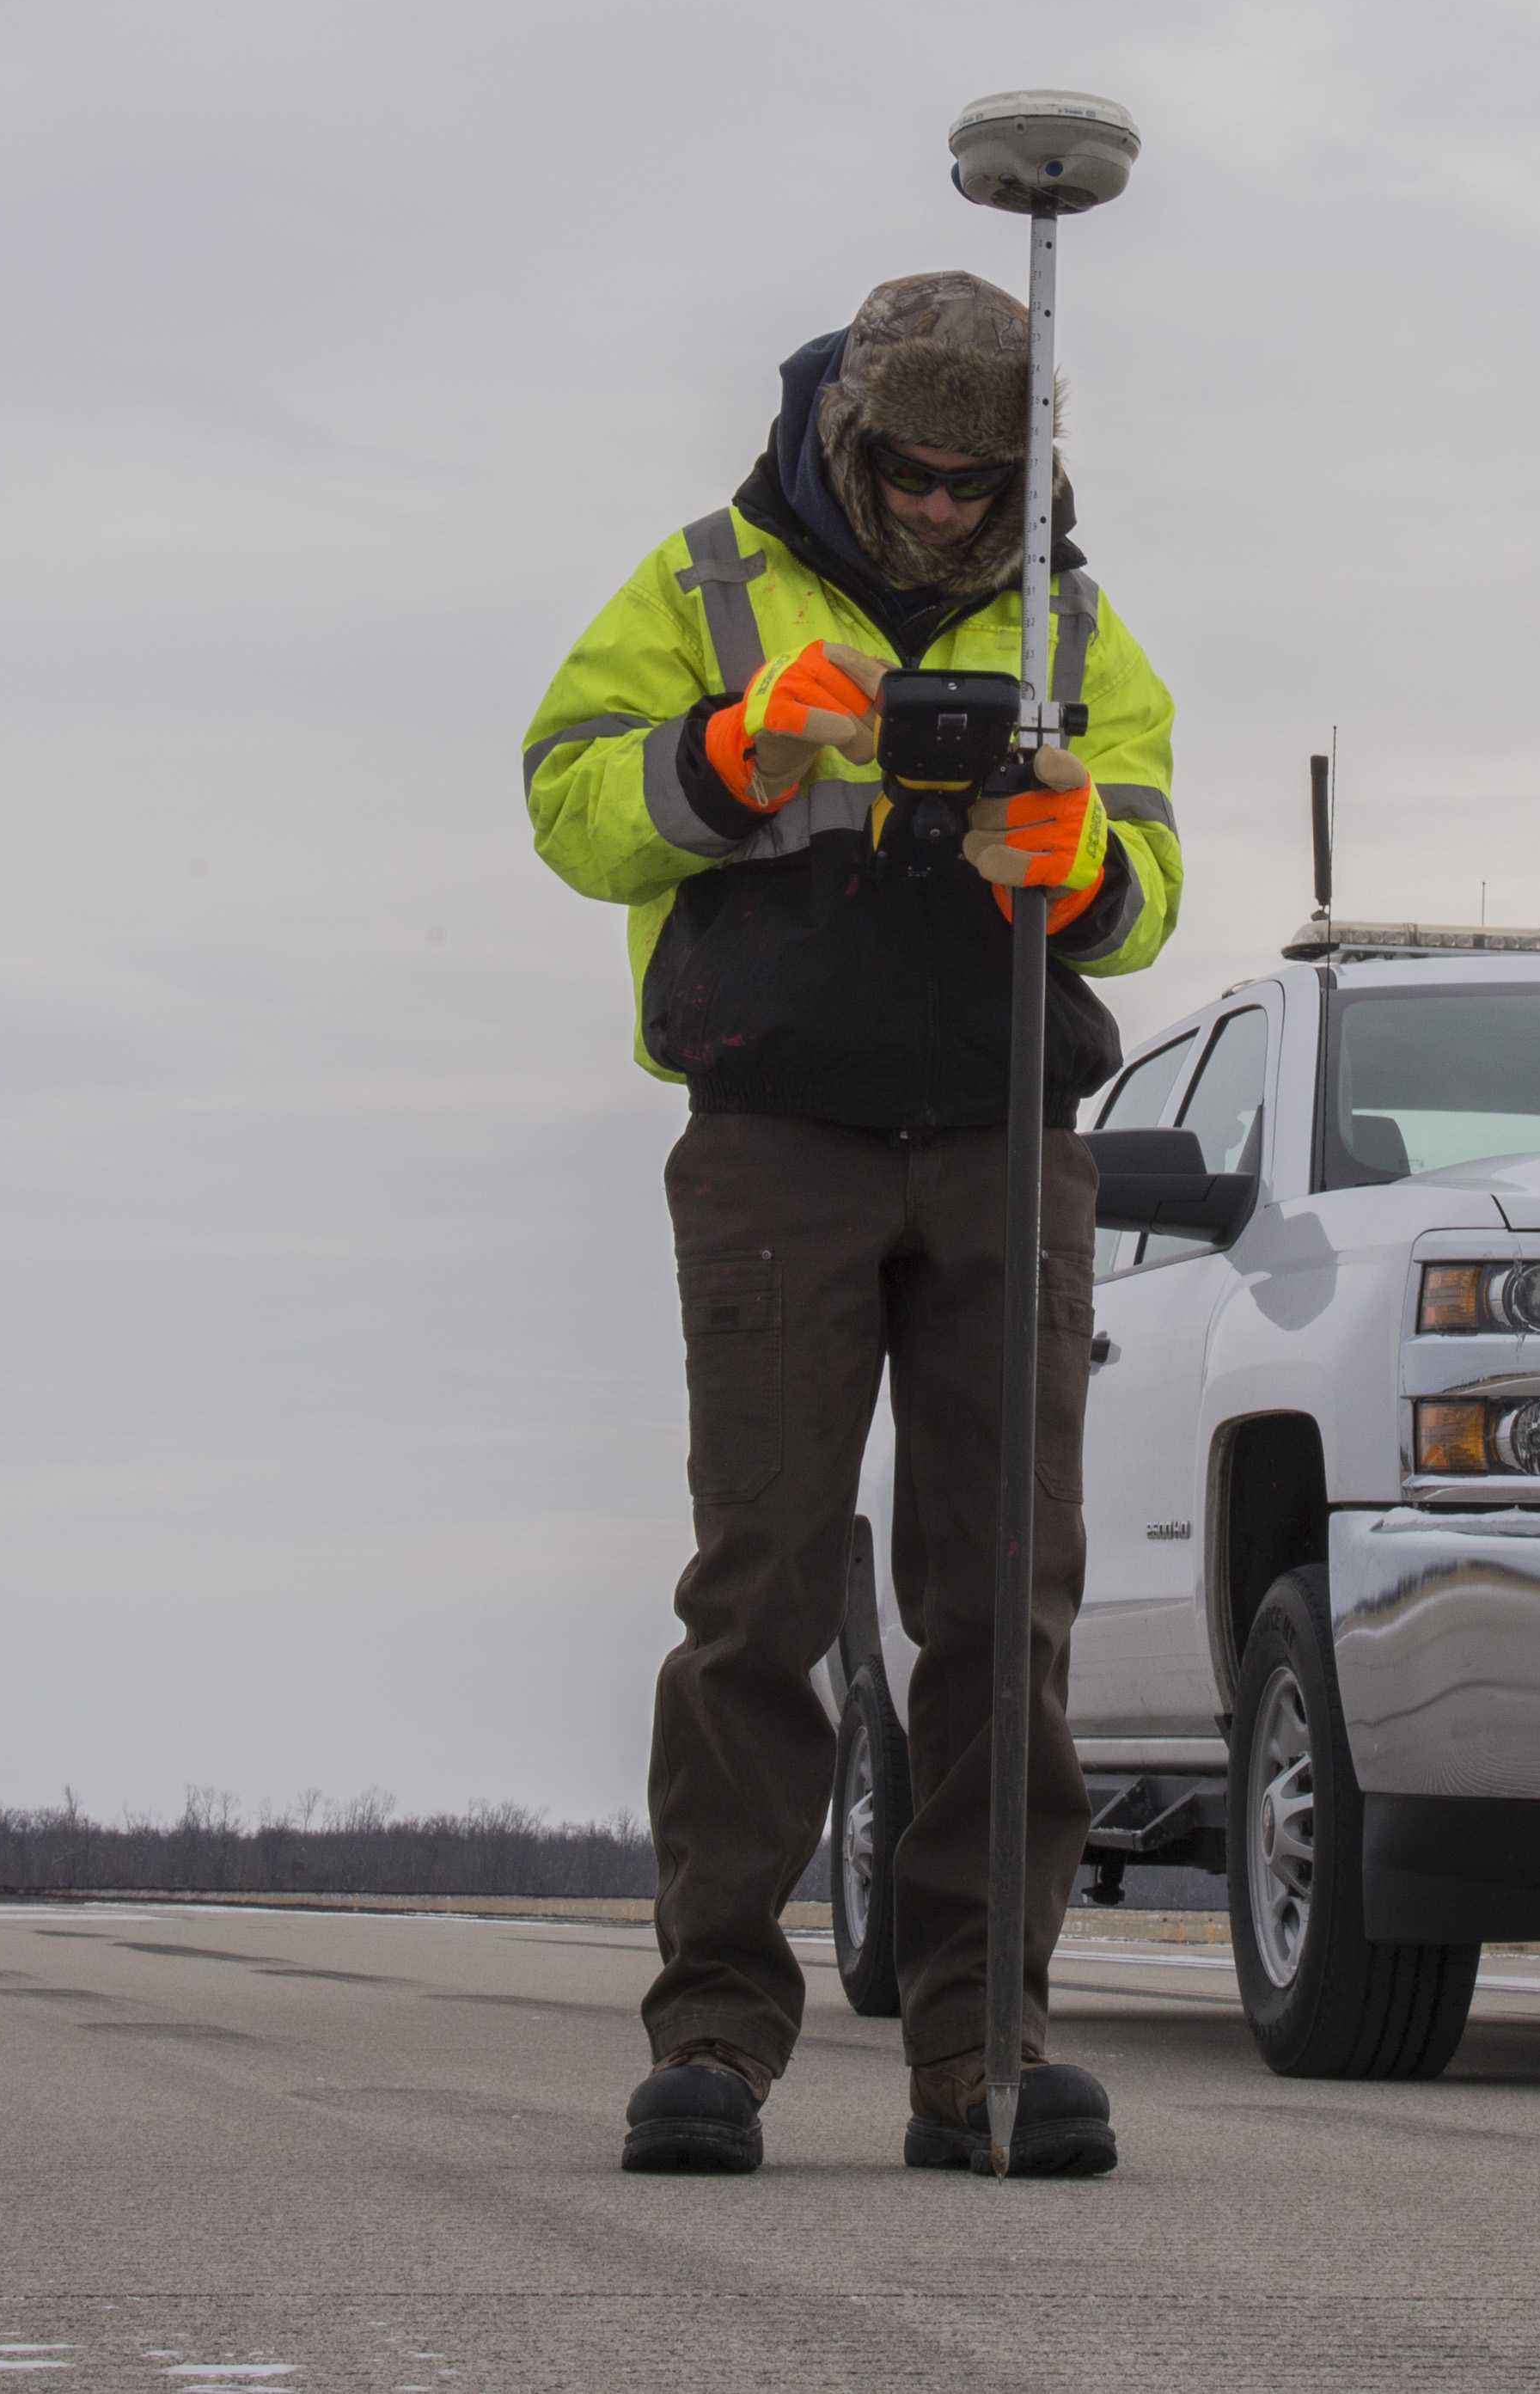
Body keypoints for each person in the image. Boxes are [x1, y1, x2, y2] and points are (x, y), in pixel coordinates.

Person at [520, 272, 1182, 2177]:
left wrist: (1089, 862)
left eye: (986, 483)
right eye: (915, 474)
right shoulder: (704, 583)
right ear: (847, 434)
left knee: (1002, 1607)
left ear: (1030, 465)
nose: (947, 511)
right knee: (763, 1592)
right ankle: (715, 2036)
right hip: (772, 1138)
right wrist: (726, 759)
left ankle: (987, 2048)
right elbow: (569, 806)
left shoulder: (1078, 619)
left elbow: (1148, 875)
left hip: (1004, 1134)